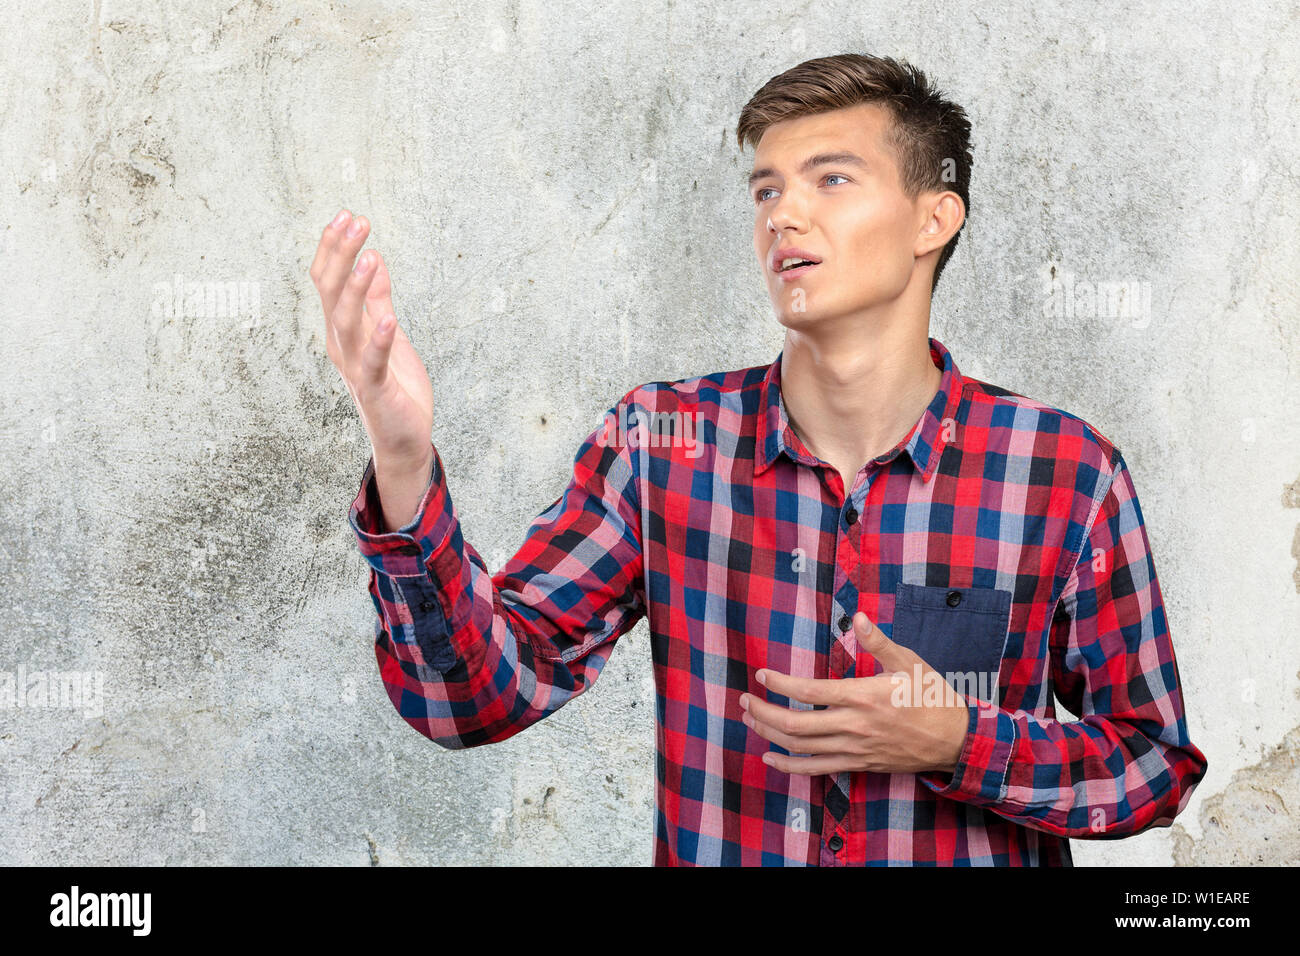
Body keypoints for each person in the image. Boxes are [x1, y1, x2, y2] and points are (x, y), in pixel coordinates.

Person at [310, 53, 1207, 866]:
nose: (785, 214)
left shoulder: (1063, 471)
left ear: (934, 218)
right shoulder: (660, 444)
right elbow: (474, 697)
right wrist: (403, 456)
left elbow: (1154, 768)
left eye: (832, 179)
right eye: (767, 190)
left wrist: (957, 741)